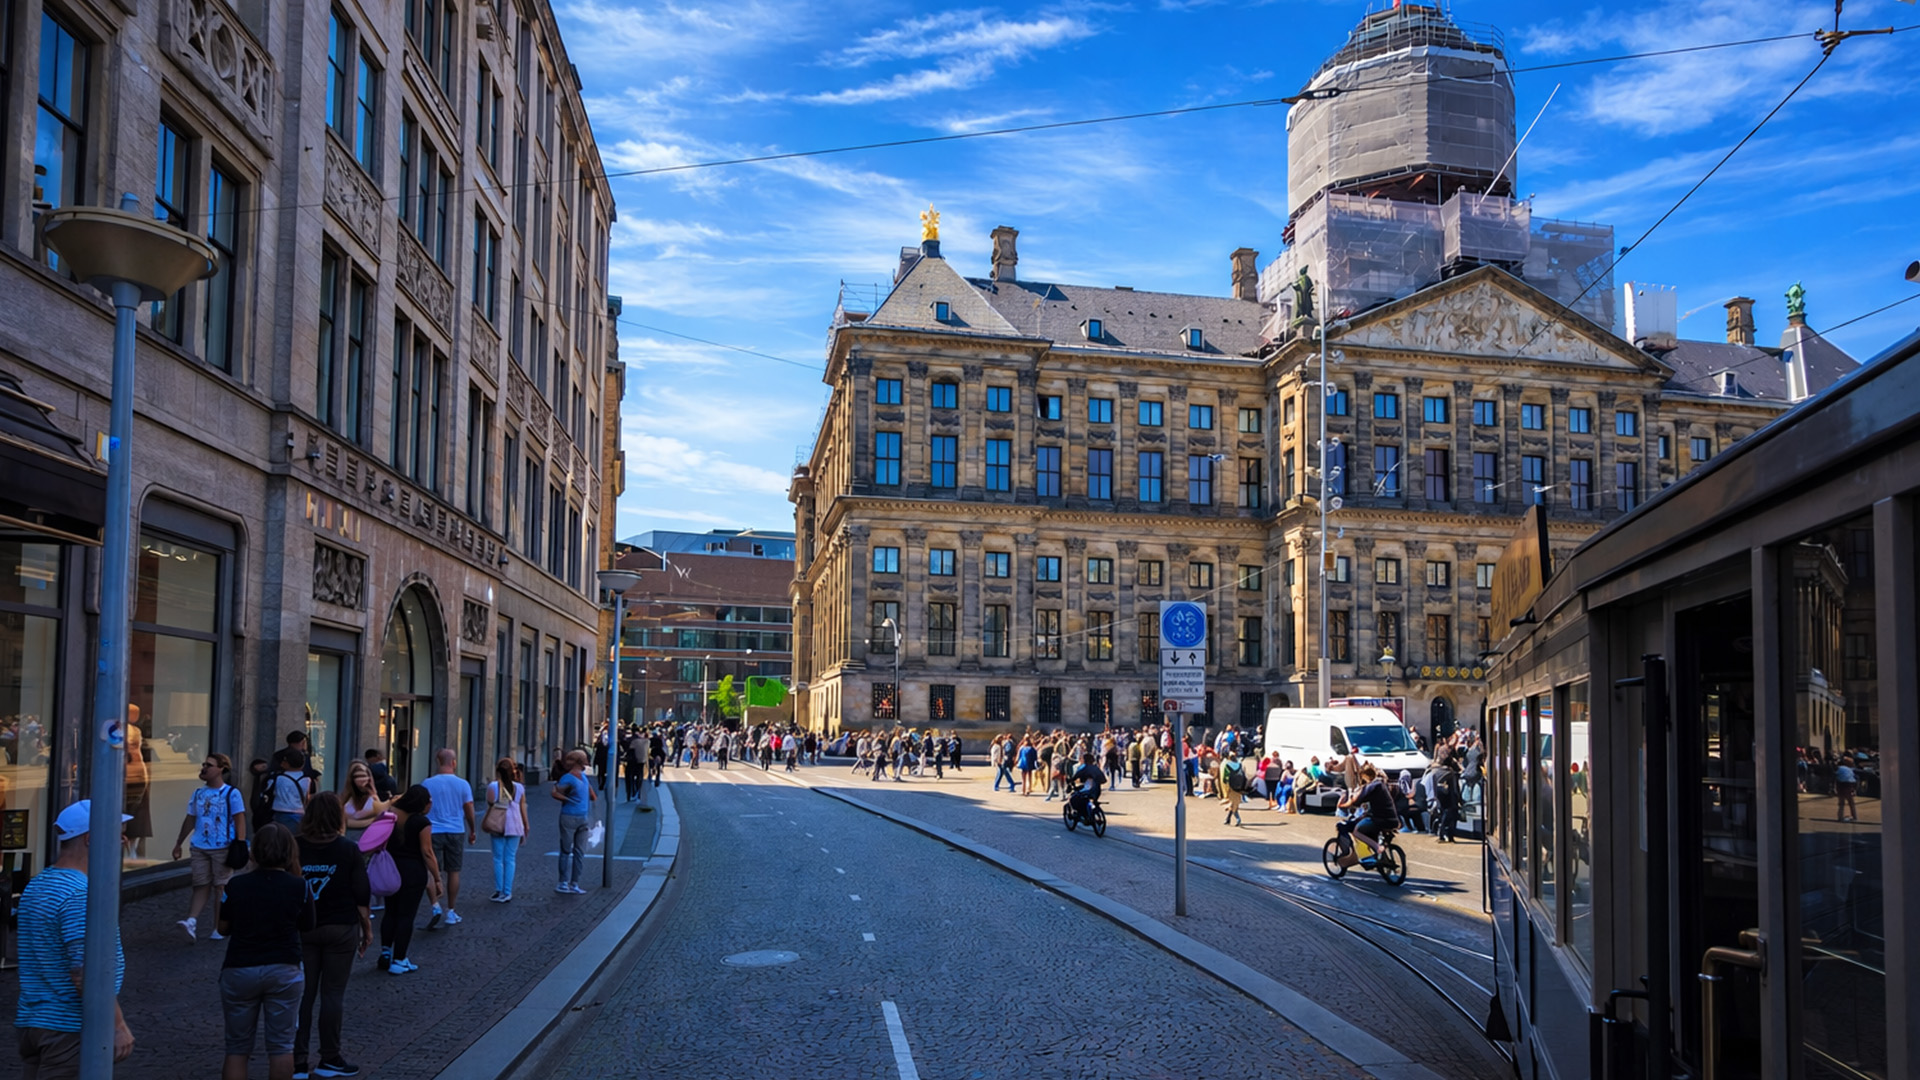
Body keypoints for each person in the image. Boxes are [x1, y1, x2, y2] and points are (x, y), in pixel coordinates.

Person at [16, 801, 135, 1076]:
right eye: (117, 833)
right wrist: (117, 1025)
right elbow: (86, 973)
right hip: (68, 1027)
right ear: (91, 839)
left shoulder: (38, 884)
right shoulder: (80, 894)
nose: (123, 840)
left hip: (34, 1020)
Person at [217, 822, 312, 1080]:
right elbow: (308, 925)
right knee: (282, 1046)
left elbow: (222, 928)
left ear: (254, 852)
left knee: (237, 1047)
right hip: (284, 966)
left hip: (240, 966)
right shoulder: (300, 886)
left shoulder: (236, 885)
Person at [292, 794, 370, 1079]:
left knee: (303, 995)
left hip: (303, 928)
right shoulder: (349, 849)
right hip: (340, 927)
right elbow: (362, 893)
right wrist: (367, 929)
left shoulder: (295, 846)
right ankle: (330, 1057)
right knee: (333, 994)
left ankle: (298, 1061)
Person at [172, 752, 247, 943]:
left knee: (220, 887)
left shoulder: (232, 793)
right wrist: (179, 842)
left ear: (221, 769)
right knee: (200, 884)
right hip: (199, 846)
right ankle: (191, 921)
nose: (204, 768)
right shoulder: (198, 793)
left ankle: (218, 927)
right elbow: (190, 819)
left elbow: (240, 820)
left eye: (209, 765)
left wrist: (240, 844)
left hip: (223, 846)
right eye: (204, 764)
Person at [378, 786, 440, 975]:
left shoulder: (391, 816)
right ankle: (399, 959)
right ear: (422, 803)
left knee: (390, 912)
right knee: (406, 916)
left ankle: (385, 952)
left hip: (390, 868)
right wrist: (437, 878)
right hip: (413, 872)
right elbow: (427, 852)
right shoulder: (421, 822)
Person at [419, 749, 475, 929]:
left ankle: (435, 905)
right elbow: (469, 808)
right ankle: (451, 910)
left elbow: (421, 807)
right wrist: (472, 829)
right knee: (454, 871)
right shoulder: (463, 784)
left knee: (431, 870)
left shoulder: (427, 783)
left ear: (438, 761)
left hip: (432, 830)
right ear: (454, 763)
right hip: (455, 830)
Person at [550, 750, 595, 894]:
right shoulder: (583, 778)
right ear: (581, 762)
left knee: (565, 850)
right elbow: (593, 796)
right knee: (579, 852)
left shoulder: (567, 778)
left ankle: (563, 882)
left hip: (569, 815)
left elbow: (555, 793)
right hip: (582, 817)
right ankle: (574, 883)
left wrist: (568, 799)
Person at [486, 757, 530, 902]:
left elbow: (490, 804)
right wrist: (526, 824)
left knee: (498, 858)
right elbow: (523, 807)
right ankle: (507, 891)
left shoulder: (493, 786)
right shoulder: (519, 787)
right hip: (515, 823)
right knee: (510, 858)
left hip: (498, 823)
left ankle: (499, 890)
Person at [1337, 764, 1400, 860]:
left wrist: (1344, 802)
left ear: (1364, 776)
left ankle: (1377, 848)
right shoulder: (1382, 785)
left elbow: (1356, 801)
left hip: (1381, 819)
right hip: (1393, 819)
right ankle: (1380, 858)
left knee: (1357, 831)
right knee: (1367, 828)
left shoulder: (1372, 786)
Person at [263, 749, 314, 831]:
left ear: (286, 763)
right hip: (300, 812)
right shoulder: (307, 780)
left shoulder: (277, 778)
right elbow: (308, 797)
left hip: (280, 811)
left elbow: (267, 790)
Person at [1068, 752, 1105, 824]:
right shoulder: (1096, 768)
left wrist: (1070, 780)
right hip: (1097, 791)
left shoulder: (1084, 768)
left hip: (1088, 791)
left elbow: (1076, 776)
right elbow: (1103, 780)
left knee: (1074, 799)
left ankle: (1082, 815)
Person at [1219, 753, 1248, 826]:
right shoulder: (1240, 764)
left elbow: (1225, 777)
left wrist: (1225, 784)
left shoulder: (1227, 765)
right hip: (1239, 786)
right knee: (1235, 803)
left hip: (1231, 786)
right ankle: (1228, 819)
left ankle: (1238, 819)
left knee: (1232, 803)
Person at [1834, 754, 1859, 821]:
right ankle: (1854, 817)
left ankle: (1840, 817)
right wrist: (1855, 789)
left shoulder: (1839, 768)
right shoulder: (1850, 770)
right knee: (1851, 803)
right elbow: (1855, 778)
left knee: (1841, 803)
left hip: (1841, 785)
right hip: (1850, 785)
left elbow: (1835, 776)